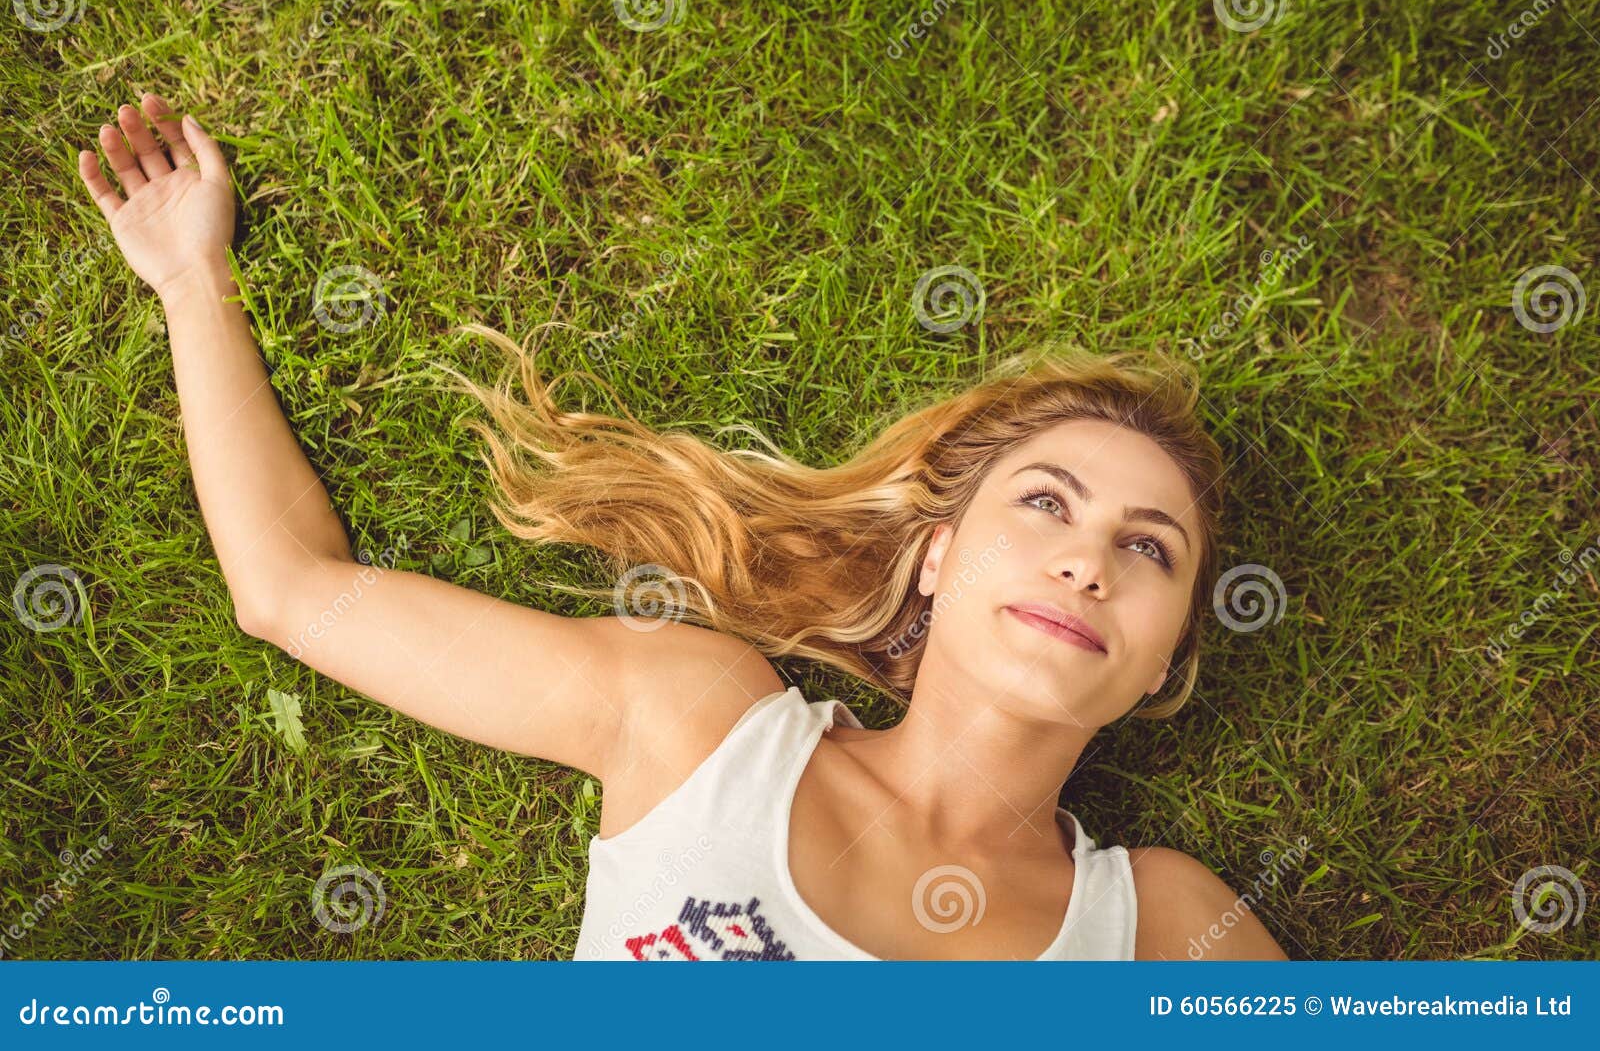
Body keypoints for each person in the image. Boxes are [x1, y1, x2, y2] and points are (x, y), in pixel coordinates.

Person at [78, 93, 1290, 962]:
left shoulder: (1171, 934)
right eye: (1045, 502)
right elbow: (289, 588)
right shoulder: (699, 725)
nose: (1088, 560)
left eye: (1148, 548)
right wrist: (194, 279)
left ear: (1163, 659)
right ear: (938, 553)